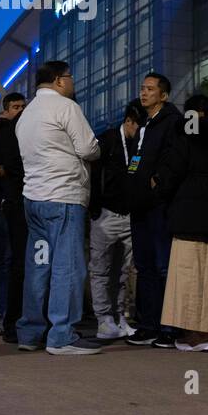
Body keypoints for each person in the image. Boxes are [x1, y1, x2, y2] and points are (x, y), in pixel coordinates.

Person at [15, 60, 103, 355]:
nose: (73, 81)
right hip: (63, 198)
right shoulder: (66, 107)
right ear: (59, 80)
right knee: (67, 267)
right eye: (70, 77)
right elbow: (89, 147)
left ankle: (29, 332)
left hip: (34, 200)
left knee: (38, 266)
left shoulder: (26, 114)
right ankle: (62, 335)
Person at [155, 95, 208, 350]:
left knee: (189, 276)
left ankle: (195, 335)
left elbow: (172, 172)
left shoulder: (188, 136)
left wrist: (158, 187)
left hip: (189, 214)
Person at [125, 71, 183, 348]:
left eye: (150, 89)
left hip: (159, 207)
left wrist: (158, 182)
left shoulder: (172, 122)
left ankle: (168, 327)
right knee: (144, 266)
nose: (144, 92)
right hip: (139, 205)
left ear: (164, 95)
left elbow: (175, 160)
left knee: (163, 267)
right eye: (142, 87)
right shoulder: (145, 125)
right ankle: (147, 324)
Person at [90, 101, 144, 340]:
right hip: (105, 214)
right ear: (128, 121)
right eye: (138, 127)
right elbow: (92, 175)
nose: (141, 132)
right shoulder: (107, 140)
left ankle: (120, 315)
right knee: (101, 269)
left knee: (124, 271)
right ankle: (103, 319)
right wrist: (93, 208)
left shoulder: (139, 144)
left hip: (129, 214)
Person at [0, 92, 27, 343]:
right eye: (15, 107)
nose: (20, 110)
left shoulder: (21, 130)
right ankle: (3, 314)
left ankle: (8, 315)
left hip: (19, 203)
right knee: (9, 262)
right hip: (8, 205)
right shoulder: (0, 133)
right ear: (6, 109)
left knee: (15, 262)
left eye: (23, 106)